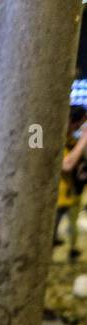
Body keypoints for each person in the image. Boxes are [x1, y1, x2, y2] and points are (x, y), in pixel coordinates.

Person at [56, 107, 87, 259]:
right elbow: (66, 165)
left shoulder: (71, 140)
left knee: (71, 225)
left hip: (72, 194)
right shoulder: (54, 139)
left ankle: (72, 248)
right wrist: (84, 139)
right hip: (56, 199)